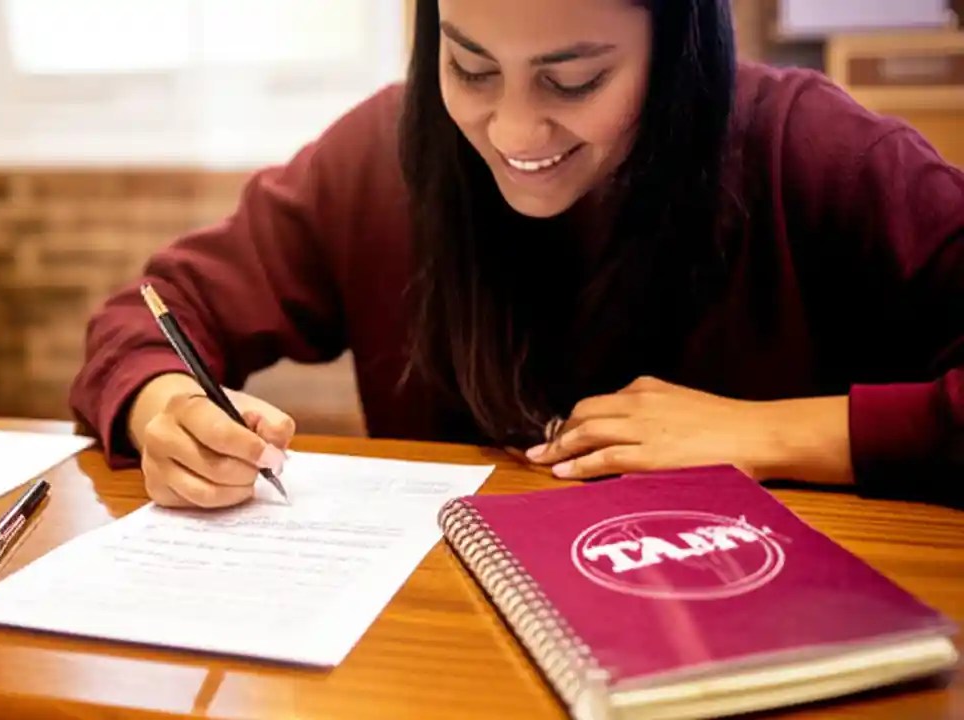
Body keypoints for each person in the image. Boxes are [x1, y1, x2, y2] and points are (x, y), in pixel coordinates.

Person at [70, 0, 963, 510]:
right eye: (470, 67)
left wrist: (780, 432)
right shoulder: (385, 152)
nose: (513, 131)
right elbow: (152, 312)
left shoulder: (813, 152)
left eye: (574, 81)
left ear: (680, 44)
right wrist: (166, 406)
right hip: (456, 660)